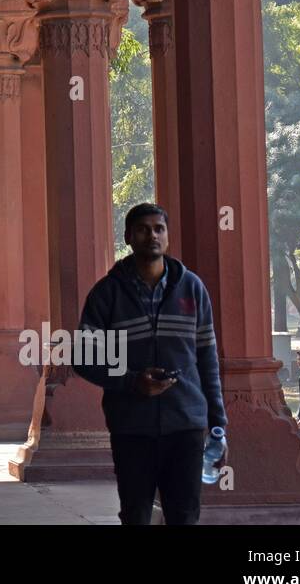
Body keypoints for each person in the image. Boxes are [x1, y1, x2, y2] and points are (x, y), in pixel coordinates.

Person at [73, 203, 227, 525]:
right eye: (143, 229)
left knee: (184, 514)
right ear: (129, 236)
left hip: (186, 423)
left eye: (159, 229)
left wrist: (217, 422)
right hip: (132, 426)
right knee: (135, 513)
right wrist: (132, 381)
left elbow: (207, 359)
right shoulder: (107, 295)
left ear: (167, 236)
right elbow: (84, 359)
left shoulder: (192, 289)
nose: (152, 235)